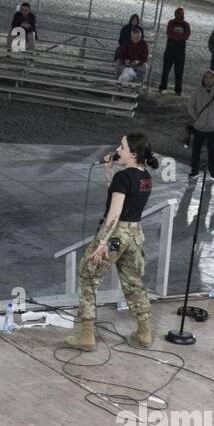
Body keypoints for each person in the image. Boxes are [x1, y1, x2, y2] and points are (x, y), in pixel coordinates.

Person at [65, 133, 156, 351]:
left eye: (122, 147)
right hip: (134, 234)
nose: (117, 150)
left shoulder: (123, 178)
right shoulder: (145, 177)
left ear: (133, 154)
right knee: (133, 282)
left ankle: (86, 335)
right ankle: (144, 332)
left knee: (88, 275)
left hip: (116, 235)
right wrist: (109, 172)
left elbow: (114, 213)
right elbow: (119, 197)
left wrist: (102, 242)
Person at [187, 68, 214, 178]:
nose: (208, 80)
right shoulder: (197, 91)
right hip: (199, 127)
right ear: (203, 79)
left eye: (211, 78)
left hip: (212, 128)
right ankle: (194, 170)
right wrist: (196, 118)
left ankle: (212, 171)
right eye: (206, 77)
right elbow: (190, 106)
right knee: (196, 150)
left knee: (212, 151)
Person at [158, 6, 189, 95]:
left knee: (179, 72)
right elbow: (169, 33)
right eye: (178, 13)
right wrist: (179, 37)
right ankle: (163, 87)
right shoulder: (171, 22)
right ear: (175, 14)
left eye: (181, 14)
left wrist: (177, 37)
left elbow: (187, 35)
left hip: (180, 52)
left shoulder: (186, 24)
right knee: (166, 70)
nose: (179, 15)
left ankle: (178, 90)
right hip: (170, 50)